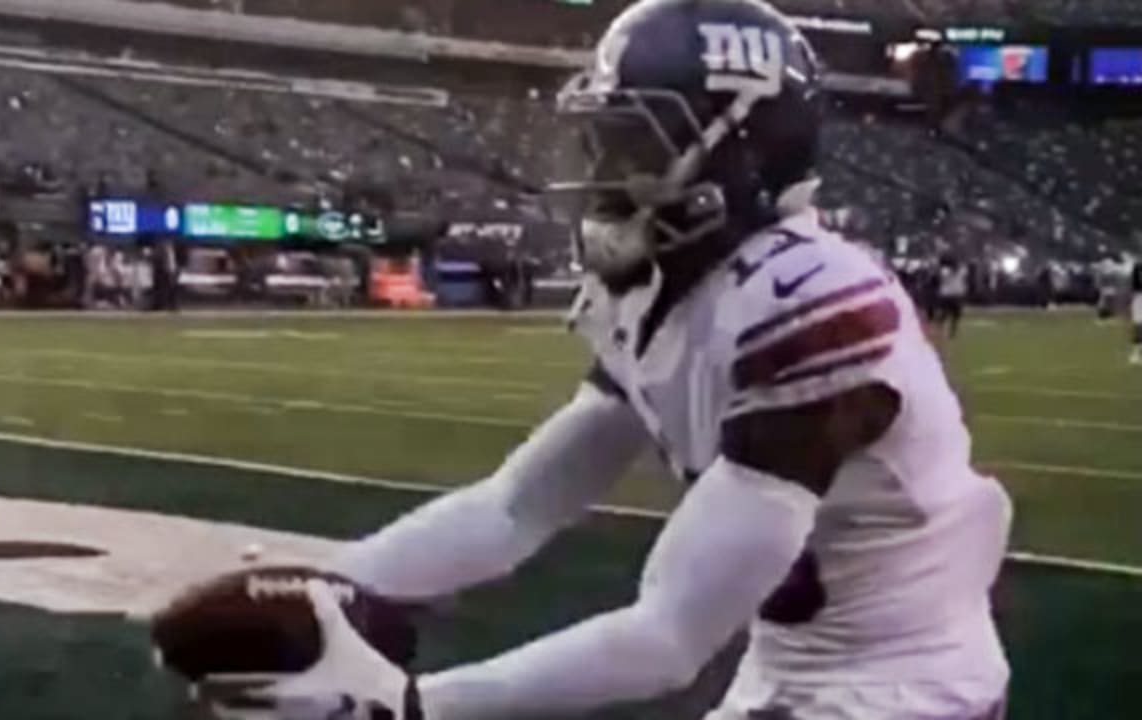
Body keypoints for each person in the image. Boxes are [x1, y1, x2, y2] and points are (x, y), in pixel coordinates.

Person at [173, 1, 1012, 718]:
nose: (606, 171)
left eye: (634, 146)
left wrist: (419, 707)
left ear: (742, 153)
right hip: (791, 677)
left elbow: (670, 637)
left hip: (907, 691)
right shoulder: (667, 285)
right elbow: (515, 507)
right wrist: (333, 585)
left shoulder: (810, 302)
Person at [936, 255, 967, 339]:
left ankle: (951, 331)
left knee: (955, 315)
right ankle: (940, 328)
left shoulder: (959, 270)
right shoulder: (946, 271)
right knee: (946, 313)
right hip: (948, 295)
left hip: (955, 295)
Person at [1130, 259, 1142, 366]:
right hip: (1139, 297)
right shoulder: (1138, 266)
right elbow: (1135, 284)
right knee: (1138, 326)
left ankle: (1136, 354)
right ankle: (1135, 354)